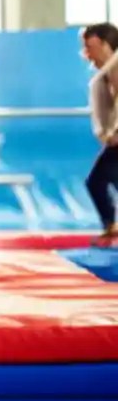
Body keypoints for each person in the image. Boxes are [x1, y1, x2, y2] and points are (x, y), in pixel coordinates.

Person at [81, 23, 118, 245]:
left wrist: (114, 131)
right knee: (100, 180)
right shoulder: (105, 73)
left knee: (97, 180)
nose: (87, 53)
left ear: (105, 45)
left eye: (90, 46)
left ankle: (111, 226)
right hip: (114, 138)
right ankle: (111, 226)